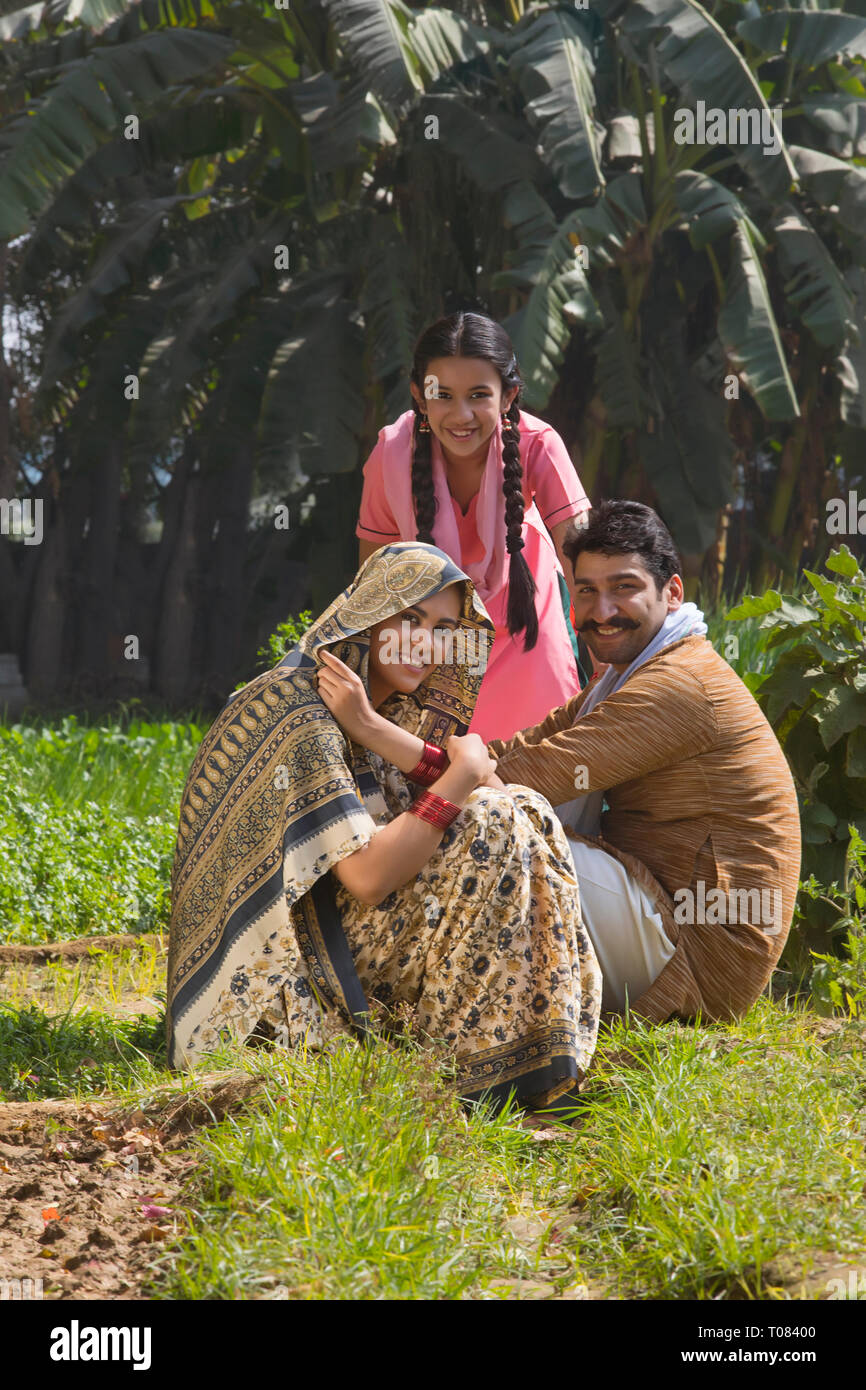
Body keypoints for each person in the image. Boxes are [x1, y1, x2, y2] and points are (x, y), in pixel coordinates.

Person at [166, 542, 601, 1112]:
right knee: (491, 821)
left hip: (344, 938)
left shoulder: (380, 710)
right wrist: (460, 772)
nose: (426, 642)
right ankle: (473, 1078)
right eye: (410, 618)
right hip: (272, 989)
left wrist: (372, 728)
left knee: (525, 809)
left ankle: (526, 1064)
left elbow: (505, 799)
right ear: (370, 613)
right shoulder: (297, 709)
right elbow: (369, 878)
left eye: (445, 629)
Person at [485, 501, 802, 1023]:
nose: (602, 610)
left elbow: (525, 776)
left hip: (700, 954)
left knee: (496, 829)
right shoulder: (624, 676)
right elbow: (522, 749)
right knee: (485, 817)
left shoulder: (679, 686)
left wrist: (379, 742)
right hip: (654, 909)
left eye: (624, 587)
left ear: (671, 593)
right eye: (586, 590)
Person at [355, 311, 592, 744]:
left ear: (508, 397)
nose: (460, 414)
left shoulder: (540, 444)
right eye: (441, 394)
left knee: (545, 785)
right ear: (418, 397)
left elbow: (588, 566)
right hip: (433, 648)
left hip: (527, 633)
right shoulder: (391, 453)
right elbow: (374, 585)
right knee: (447, 796)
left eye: (478, 394)